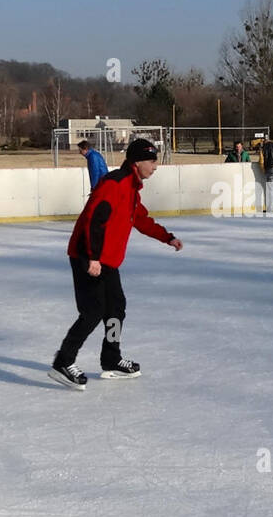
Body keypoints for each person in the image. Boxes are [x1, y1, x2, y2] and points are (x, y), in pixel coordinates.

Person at [49, 139, 183, 390]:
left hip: (106, 260)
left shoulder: (131, 189)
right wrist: (94, 256)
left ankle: (111, 359)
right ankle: (63, 362)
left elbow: (142, 220)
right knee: (93, 311)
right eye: (152, 161)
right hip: (87, 255)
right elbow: (94, 220)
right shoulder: (115, 184)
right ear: (137, 162)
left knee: (116, 308)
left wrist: (168, 237)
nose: (156, 166)